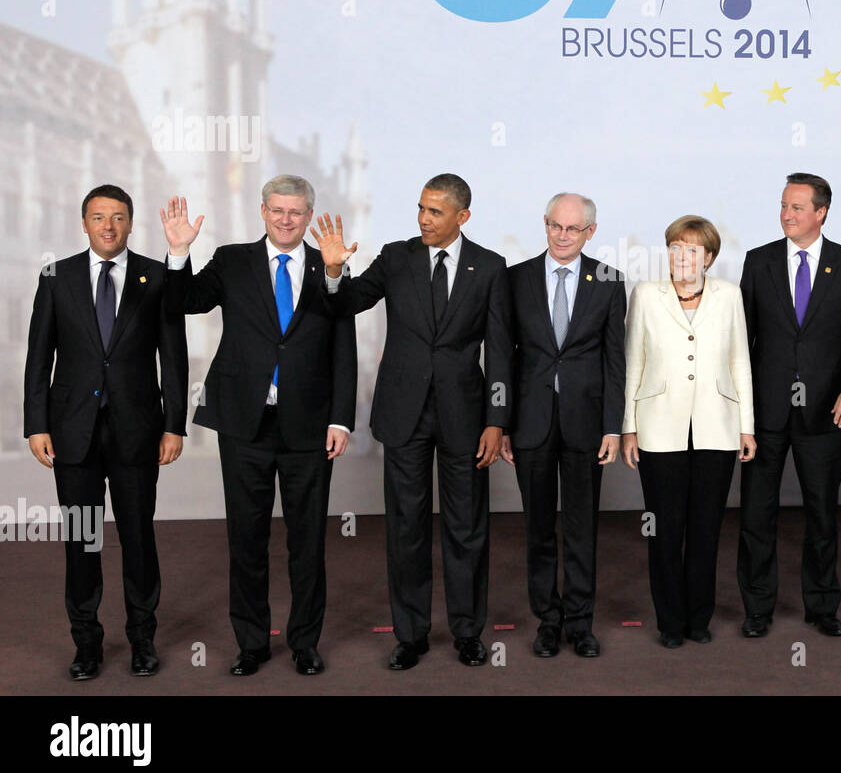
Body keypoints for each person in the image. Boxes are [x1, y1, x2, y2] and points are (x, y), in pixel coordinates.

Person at [160, 176, 356, 677]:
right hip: (243, 423)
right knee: (246, 538)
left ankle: (305, 643)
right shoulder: (231, 259)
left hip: (309, 426)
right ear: (262, 211)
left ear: (309, 216)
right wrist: (179, 253)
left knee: (307, 540)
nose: (286, 220)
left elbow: (342, 344)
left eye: (296, 212)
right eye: (277, 210)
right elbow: (187, 301)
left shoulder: (328, 264)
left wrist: (340, 418)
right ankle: (251, 643)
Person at [312, 173, 510, 669]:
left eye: (435, 211)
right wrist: (333, 271)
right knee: (406, 528)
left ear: (462, 217)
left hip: (467, 419)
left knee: (467, 529)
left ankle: (467, 632)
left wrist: (497, 419)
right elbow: (346, 303)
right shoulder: (395, 257)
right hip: (403, 415)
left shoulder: (490, 266)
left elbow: (502, 351)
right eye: (420, 208)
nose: (423, 218)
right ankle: (411, 635)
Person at [24, 185, 187, 680]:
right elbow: (39, 358)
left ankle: (142, 640)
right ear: (84, 223)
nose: (109, 226)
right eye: (99, 217)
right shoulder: (56, 276)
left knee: (138, 537)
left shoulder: (155, 276)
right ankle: (87, 645)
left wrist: (174, 426)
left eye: (118, 217)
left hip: (138, 429)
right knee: (82, 538)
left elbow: (173, 357)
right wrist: (36, 426)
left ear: (131, 223)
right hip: (72, 431)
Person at [736, 173, 841, 638]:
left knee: (822, 513)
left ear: (821, 212)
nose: (786, 215)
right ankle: (757, 608)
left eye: (797, 208)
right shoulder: (757, 262)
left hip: (826, 411)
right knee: (758, 513)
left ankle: (822, 606)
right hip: (766, 414)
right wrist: (741, 412)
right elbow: (743, 340)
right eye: (782, 206)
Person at [622, 216, 756, 648]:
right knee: (664, 530)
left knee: (705, 530)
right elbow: (633, 363)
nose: (683, 257)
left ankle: (699, 618)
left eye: (693, 249)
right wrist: (629, 428)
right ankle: (670, 622)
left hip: (718, 428)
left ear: (710, 257)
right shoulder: (645, 295)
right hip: (658, 428)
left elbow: (740, 362)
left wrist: (746, 427)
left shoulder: (730, 295)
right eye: (676, 248)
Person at [501, 193, 625, 658]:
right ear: (546, 224)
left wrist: (613, 426)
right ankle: (546, 622)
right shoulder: (514, 279)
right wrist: (503, 422)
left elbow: (616, 359)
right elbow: (503, 356)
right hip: (530, 422)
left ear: (590, 232)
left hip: (586, 424)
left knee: (581, 527)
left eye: (573, 229)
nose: (562, 235)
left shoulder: (611, 281)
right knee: (537, 528)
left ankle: (580, 622)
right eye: (555, 225)